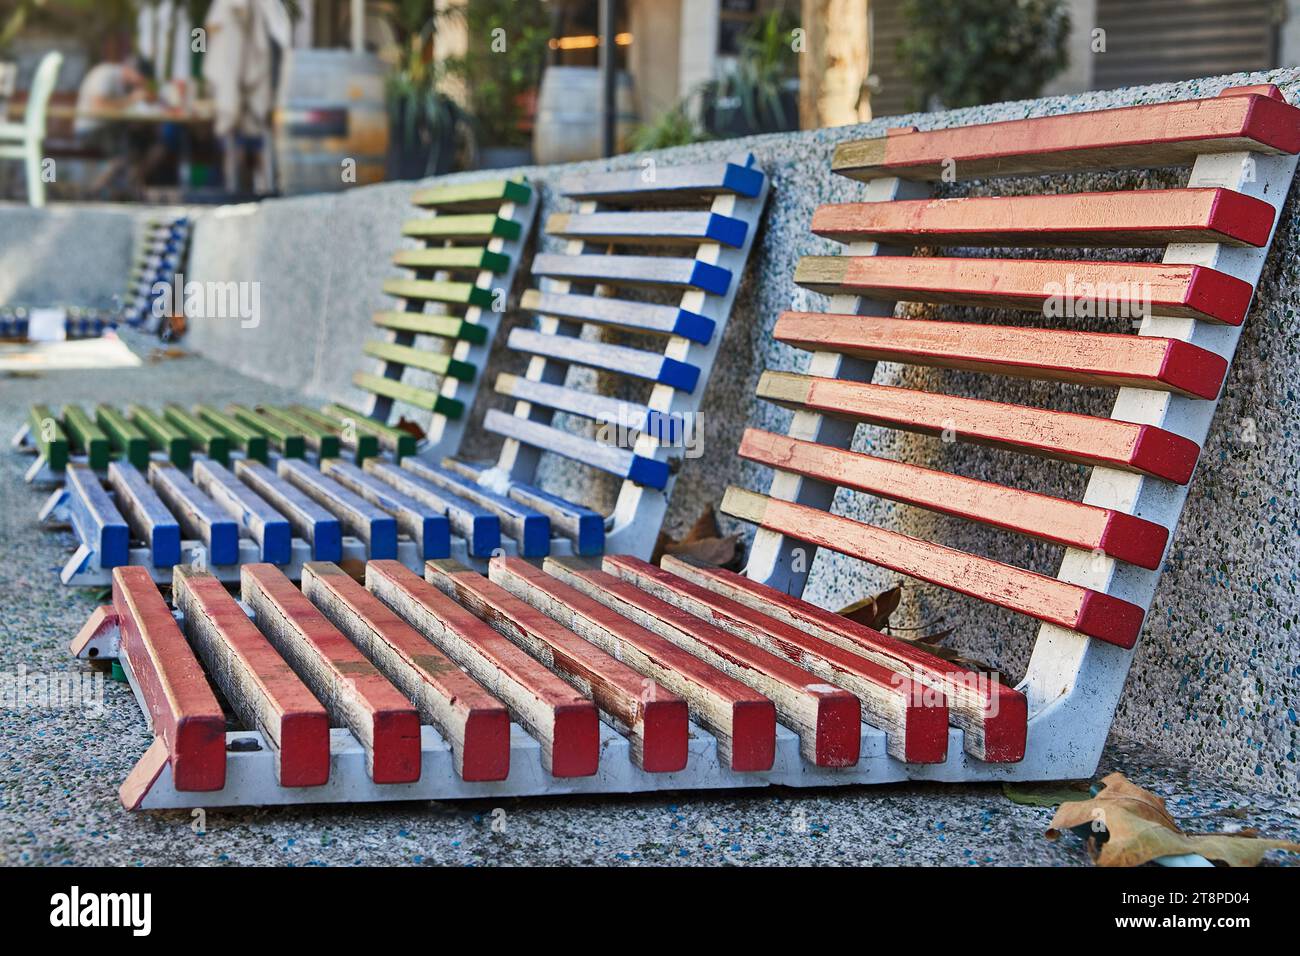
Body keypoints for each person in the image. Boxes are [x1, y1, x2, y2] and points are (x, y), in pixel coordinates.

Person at [74, 55, 156, 196]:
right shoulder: (106, 74)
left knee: (144, 139)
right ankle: (95, 190)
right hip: (91, 129)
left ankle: (127, 188)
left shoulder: (125, 84)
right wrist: (132, 99)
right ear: (131, 71)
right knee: (126, 146)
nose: (140, 83)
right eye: (140, 78)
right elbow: (98, 106)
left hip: (109, 128)